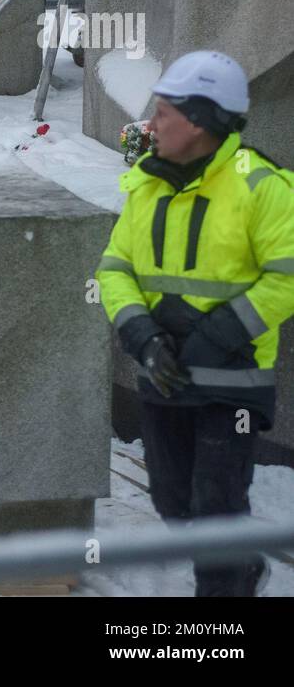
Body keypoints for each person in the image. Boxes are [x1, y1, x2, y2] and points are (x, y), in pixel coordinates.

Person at [95, 50, 294, 596]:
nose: (149, 124)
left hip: (232, 386)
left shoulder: (264, 186)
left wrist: (218, 336)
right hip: (163, 379)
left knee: (216, 507)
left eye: (163, 113)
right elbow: (114, 269)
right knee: (173, 504)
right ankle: (242, 565)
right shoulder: (147, 185)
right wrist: (142, 336)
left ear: (202, 120)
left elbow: (288, 277)